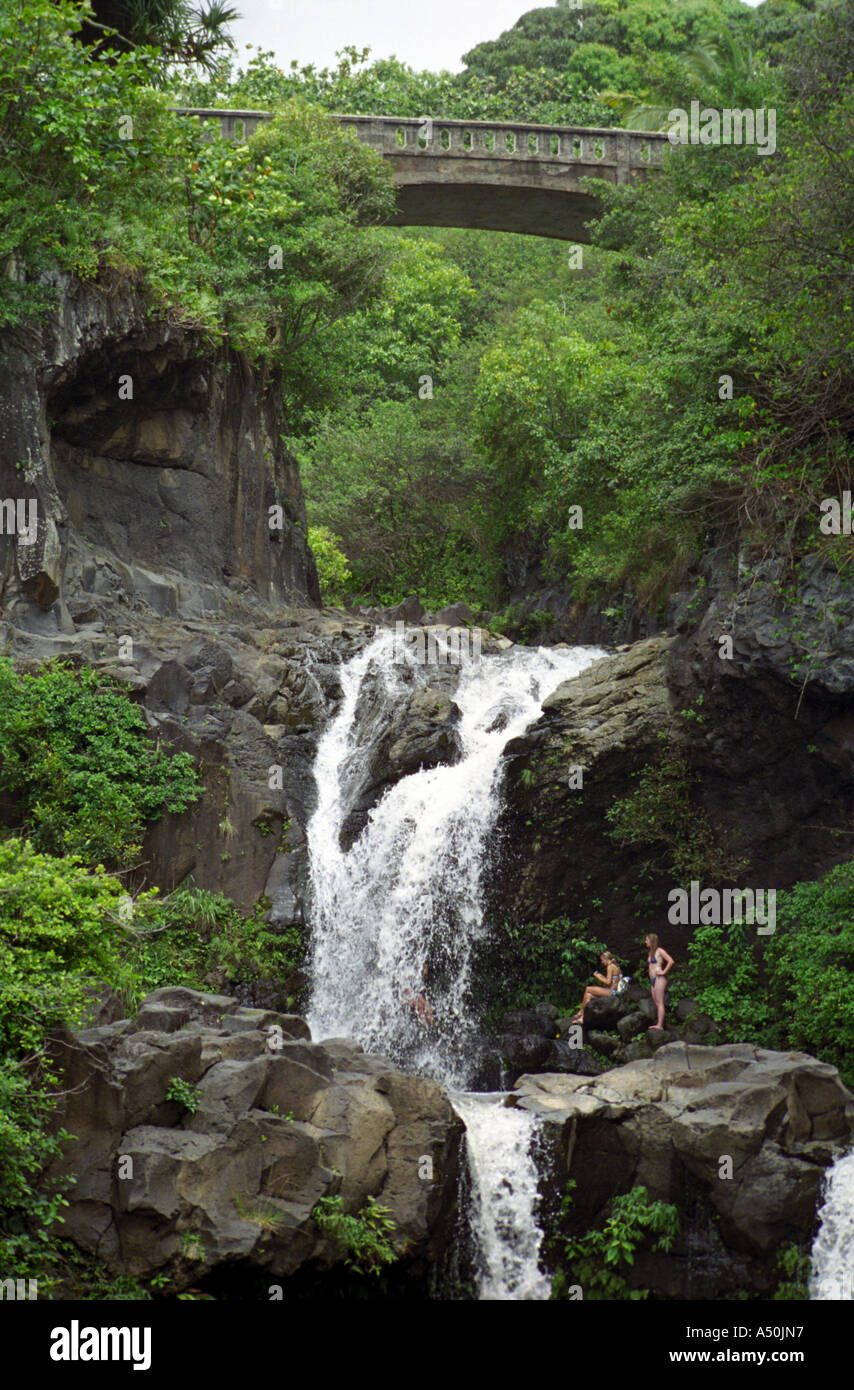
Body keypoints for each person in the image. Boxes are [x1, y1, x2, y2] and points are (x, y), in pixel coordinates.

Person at [570, 951, 622, 1025]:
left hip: (611, 991)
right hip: (612, 990)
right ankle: (582, 1017)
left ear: (606, 959)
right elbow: (610, 980)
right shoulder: (615, 966)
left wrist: (598, 977)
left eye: (602, 960)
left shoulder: (610, 967)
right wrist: (600, 976)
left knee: (588, 989)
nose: (602, 962)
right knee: (589, 996)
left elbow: (608, 982)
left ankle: (581, 1012)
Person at [645, 933, 674, 1031]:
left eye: (647, 940)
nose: (645, 942)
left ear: (651, 941)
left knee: (660, 1002)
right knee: (656, 1002)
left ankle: (660, 1025)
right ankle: (659, 1023)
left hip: (659, 979)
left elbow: (670, 961)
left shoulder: (660, 951)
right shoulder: (650, 952)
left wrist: (663, 971)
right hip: (652, 980)